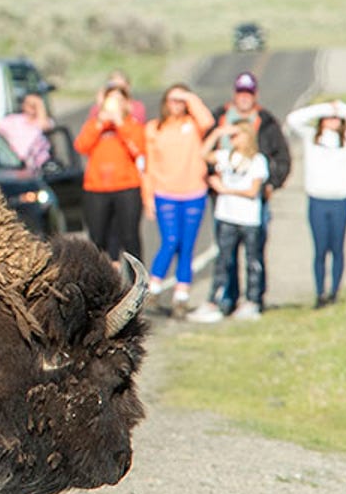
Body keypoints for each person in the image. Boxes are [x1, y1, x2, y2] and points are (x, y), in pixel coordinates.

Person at [286, 98, 346, 307]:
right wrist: (324, 108)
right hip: (317, 200)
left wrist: (343, 109)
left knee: (337, 248)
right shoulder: (311, 138)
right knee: (319, 250)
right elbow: (294, 119)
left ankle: (334, 291)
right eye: (328, 118)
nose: (332, 120)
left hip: (340, 200)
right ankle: (319, 292)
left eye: (336, 118)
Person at [210, 72, 290, 310]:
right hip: (224, 198)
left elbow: (282, 157)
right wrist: (212, 183)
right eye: (241, 93)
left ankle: (255, 299)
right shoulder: (221, 117)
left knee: (254, 253)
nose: (244, 98)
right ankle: (228, 298)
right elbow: (204, 151)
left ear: (255, 95)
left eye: (249, 93)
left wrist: (271, 184)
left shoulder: (265, 121)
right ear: (235, 94)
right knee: (226, 253)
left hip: (253, 199)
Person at [140, 84, 215, 311]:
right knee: (170, 240)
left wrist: (191, 98)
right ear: (165, 103)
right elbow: (148, 165)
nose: (177, 105)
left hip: (194, 192)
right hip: (165, 194)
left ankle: (181, 294)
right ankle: (153, 288)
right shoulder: (154, 128)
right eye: (173, 100)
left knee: (187, 245)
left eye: (181, 101)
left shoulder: (193, 126)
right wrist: (148, 197)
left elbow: (208, 122)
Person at [189, 120, 270, 323]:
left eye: (237, 135)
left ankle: (252, 301)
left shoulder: (258, 160)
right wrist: (218, 133)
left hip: (249, 219)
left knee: (252, 261)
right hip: (226, 217)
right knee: (223, 261)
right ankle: (215, 302)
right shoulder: (226, 157)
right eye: (232, 136)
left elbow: (253, 191)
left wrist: (225, 189)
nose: (233, 139)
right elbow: (202, 154)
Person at [73, 84, 146, 264]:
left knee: (130, 237)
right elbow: (81, 146)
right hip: (97, 188)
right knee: (97, 238)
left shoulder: (132, 126)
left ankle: (135, 278)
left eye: (119, 100)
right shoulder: (95, 125)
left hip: (126, 187)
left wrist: (119, 122)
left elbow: (139, 148)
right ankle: (102, 279)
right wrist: (100, 122)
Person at [0, 92, 54, 173]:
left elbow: (44, 126)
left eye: (34, 104)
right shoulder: (13, 120)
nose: (31, 106)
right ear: (23, 104)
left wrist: (39, 105)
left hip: (40, 167)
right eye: (28, 103)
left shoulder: (44, 122)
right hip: (16, 165)